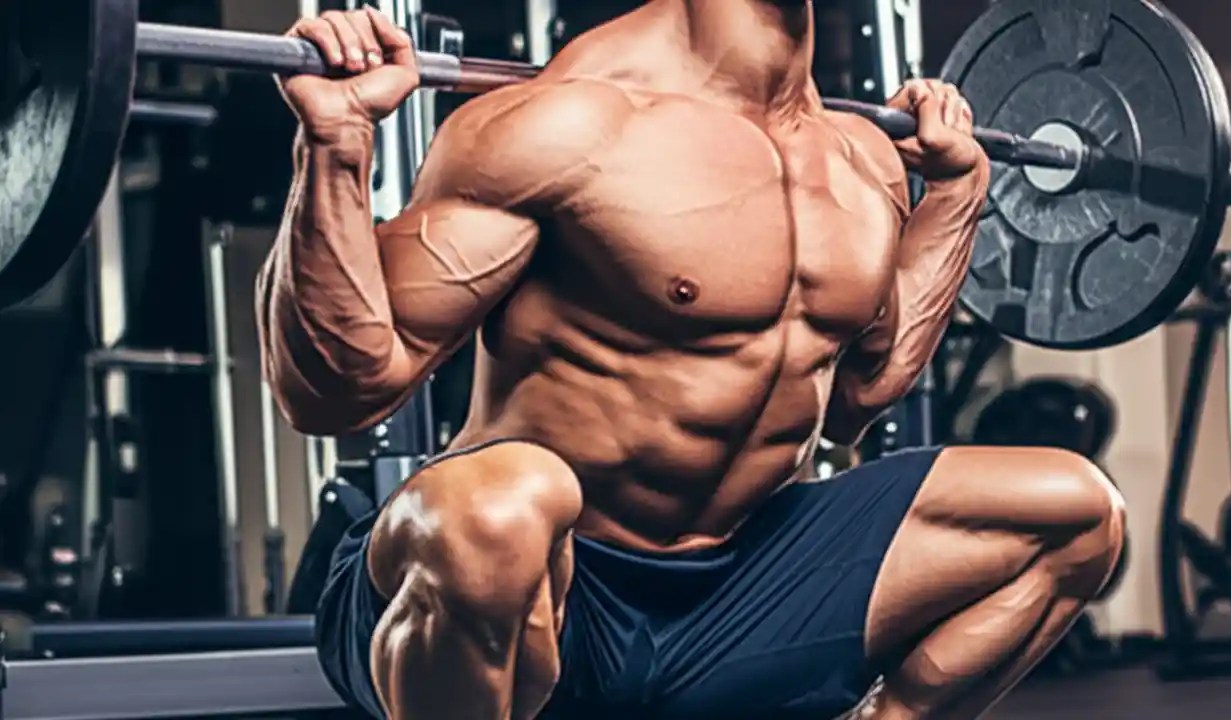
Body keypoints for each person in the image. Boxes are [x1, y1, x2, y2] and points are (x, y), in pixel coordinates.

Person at [258, 1, 1126, 718]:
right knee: (499, 507)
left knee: (1074, 511)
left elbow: (860, 397)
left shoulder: (858, 156)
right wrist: (333, 149)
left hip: (732, 591)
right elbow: (338, 391)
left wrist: (958, 196)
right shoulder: (574, 120)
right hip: (537, 603)